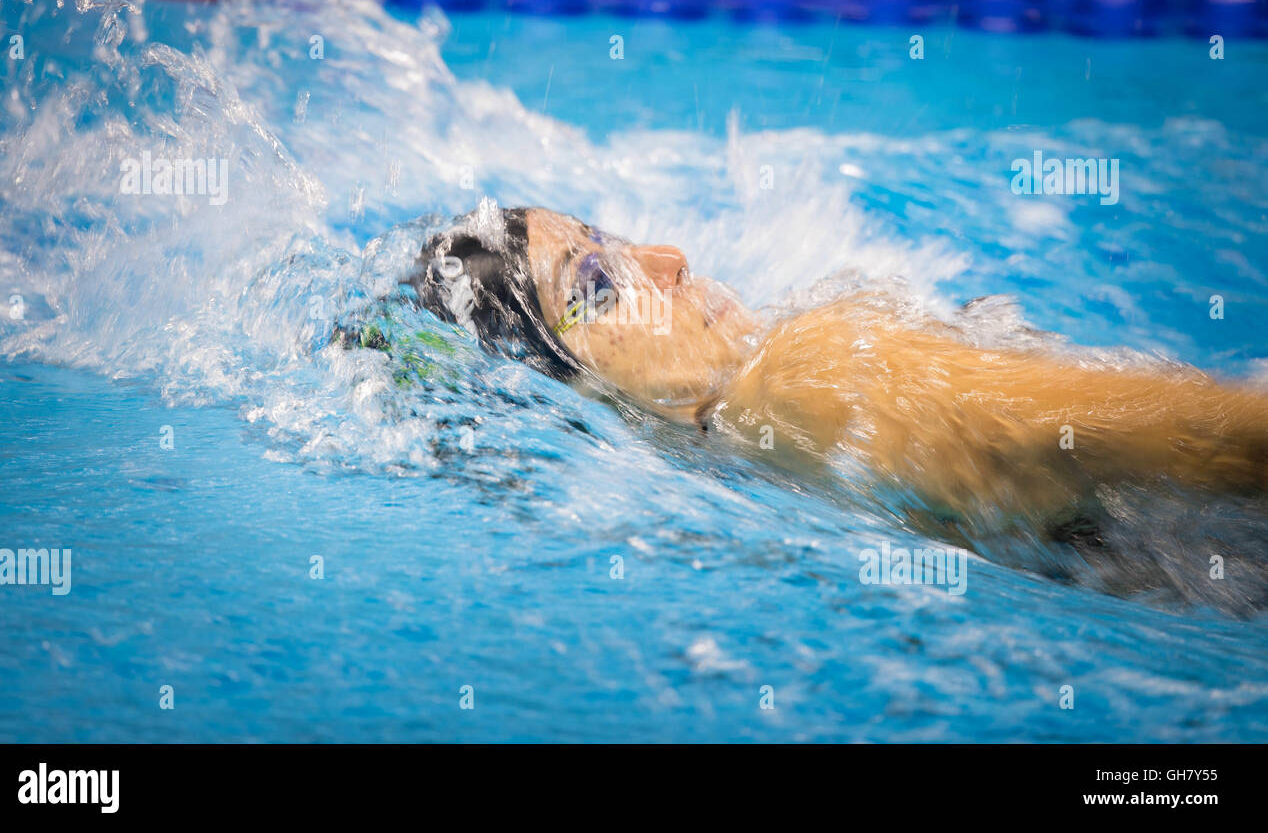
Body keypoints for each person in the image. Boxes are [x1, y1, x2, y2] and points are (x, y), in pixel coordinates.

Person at [343, 205, 1268, 535]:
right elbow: (1220, 436)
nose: (666, 256)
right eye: (597, 278)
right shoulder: (798, 379)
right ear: (569, 385)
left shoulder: (731, 462)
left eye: (612, 238)